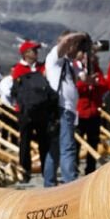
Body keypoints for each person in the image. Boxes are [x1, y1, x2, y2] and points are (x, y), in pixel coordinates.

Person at [43, 32, 88, 186]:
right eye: (74, 44)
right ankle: (71, 183)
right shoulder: (54, 56)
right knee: (68, 147)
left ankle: (49, 183)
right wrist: (81, 35)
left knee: (55, 148)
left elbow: (85, 78)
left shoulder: (67, 63)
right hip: (62, 108)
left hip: (65, 109)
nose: (75, 47)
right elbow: (67, 40)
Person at [10, 40, 52, 183]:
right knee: (25, 142)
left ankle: (47, 170)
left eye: (36, 50)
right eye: (33, 50)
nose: (36, 53)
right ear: (26, 53)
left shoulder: (42, 67)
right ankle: (25, 171)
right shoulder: (19, 69)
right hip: (25, 112)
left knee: (44, 142)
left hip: (41, 111)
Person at [76, 47, 108, 175]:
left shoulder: (96, 69)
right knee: (76, 144)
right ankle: (74, 167)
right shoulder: (76, 68)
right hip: (79, 112)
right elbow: (73, 87)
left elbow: (105, 85)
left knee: (93, 141)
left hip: (93, 111)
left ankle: (90, 169)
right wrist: (85, 82)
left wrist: (95, 84)